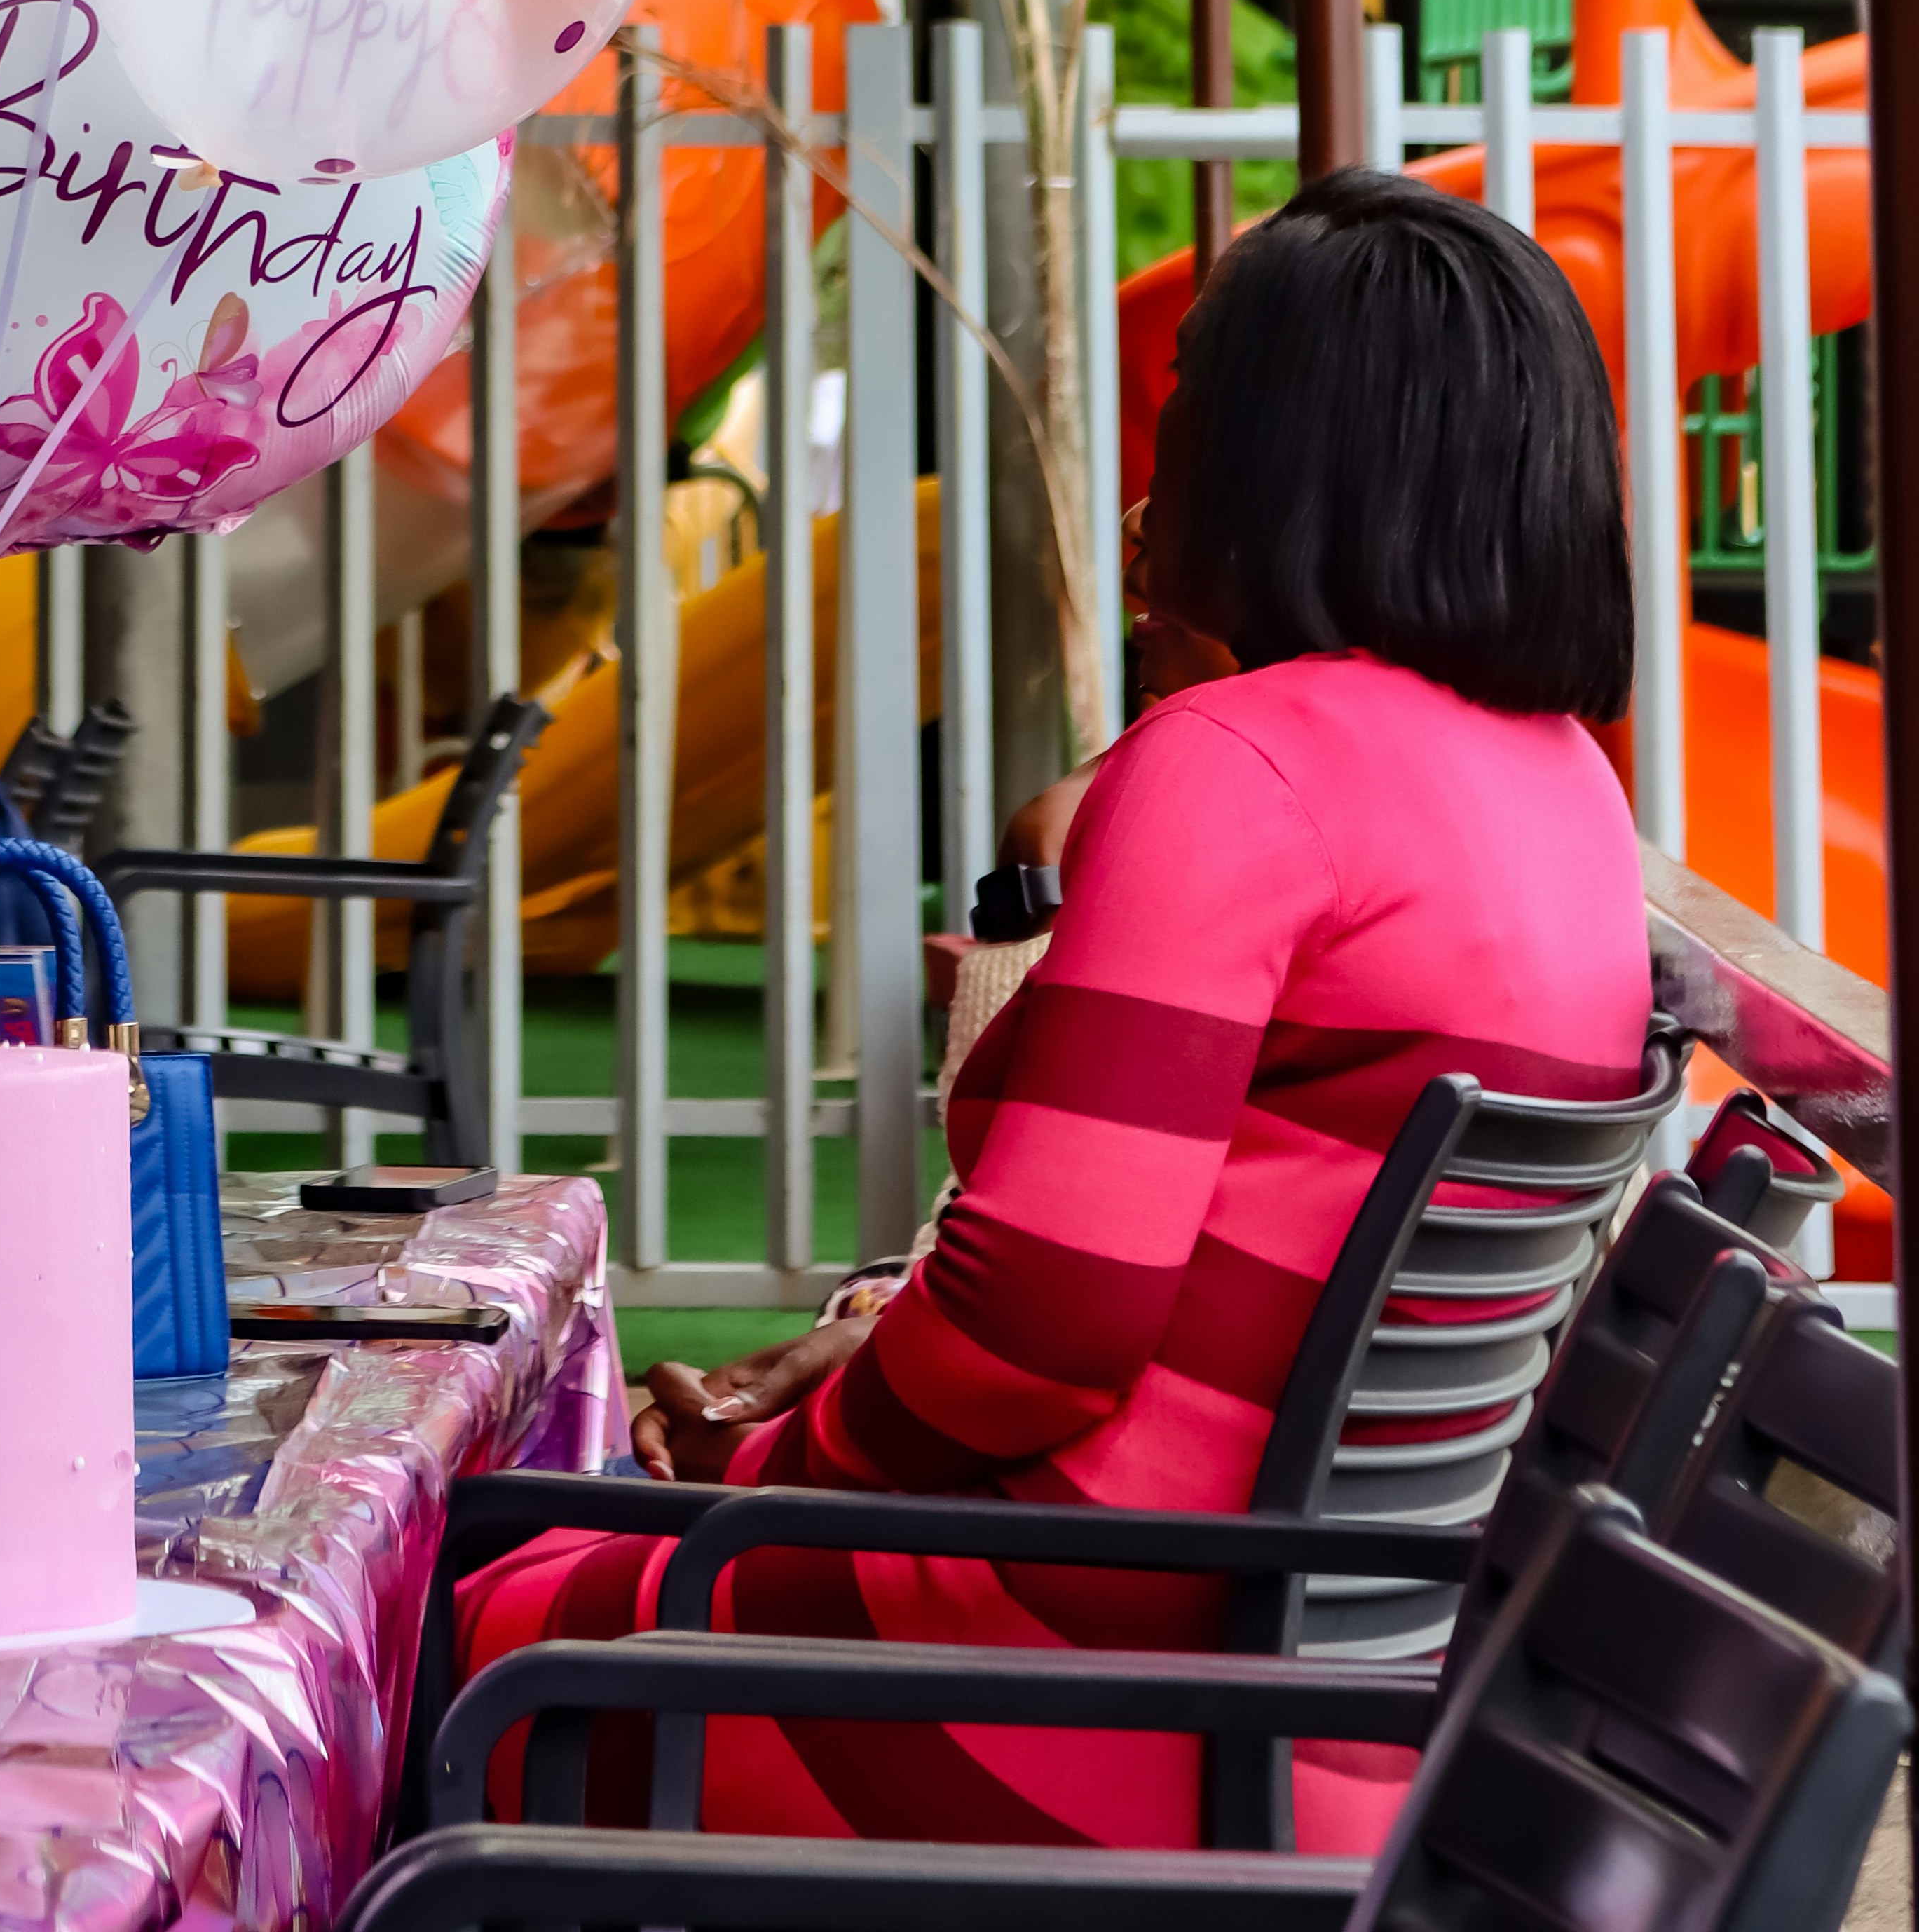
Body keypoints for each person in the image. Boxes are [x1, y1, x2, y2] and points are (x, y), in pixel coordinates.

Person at [460, 172, 1653, 1854]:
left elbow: (1041, 1319)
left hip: (1079, 1676)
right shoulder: (1567, 800)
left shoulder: (1240, 767)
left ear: (1274, 465)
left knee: (482, 1624)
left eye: (1187, 422)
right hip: (1327, 1692)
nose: (1151, 494)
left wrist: (767, 1462)